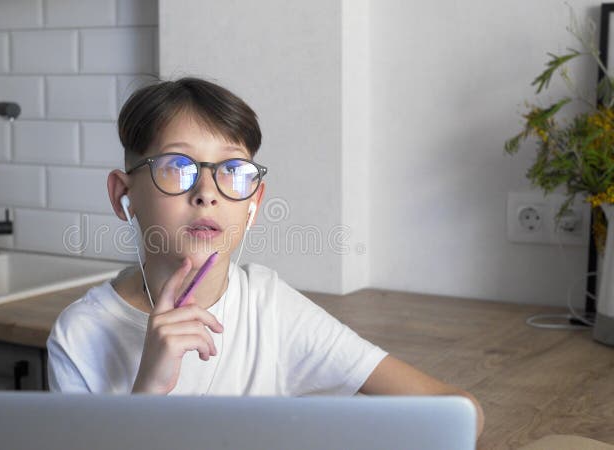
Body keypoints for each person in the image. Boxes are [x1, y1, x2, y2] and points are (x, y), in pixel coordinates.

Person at [47, 77, 484, 438]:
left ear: (254, 202)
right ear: (124, 195)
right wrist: (150, 389)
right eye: (177, 167)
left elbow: (460, 412)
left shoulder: (270, 308)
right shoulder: (79, 335)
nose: (206, 194)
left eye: (232, 172)